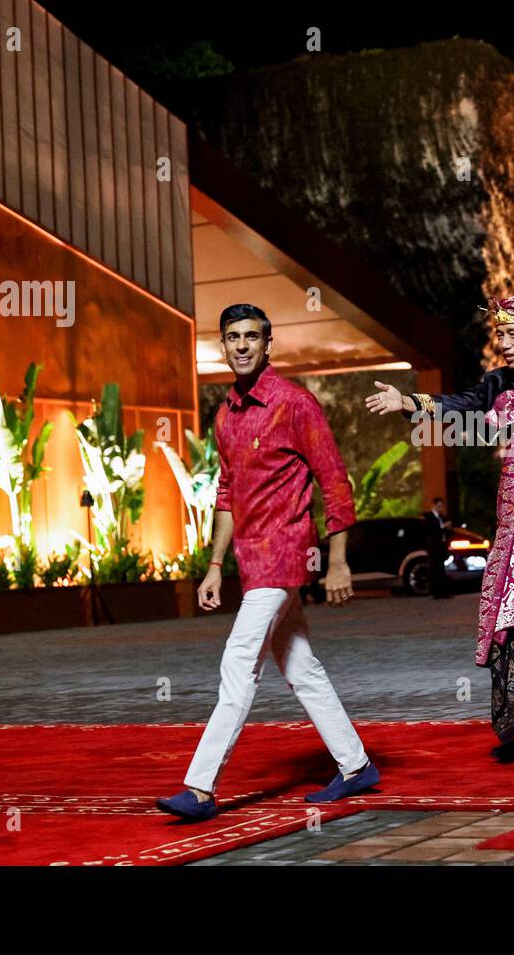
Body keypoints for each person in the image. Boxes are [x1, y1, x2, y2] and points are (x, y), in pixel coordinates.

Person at [157, 303, 380, 821]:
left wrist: (339, 560)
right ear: (223, 344)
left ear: (267, 344)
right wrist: (214, 565)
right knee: (301, 666)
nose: (241, 345)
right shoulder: (225, 413)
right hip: (250, 561)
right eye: (232, 336)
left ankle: (201, 787)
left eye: (251, 337)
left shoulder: (295, 404)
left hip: (286, 553)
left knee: (239, 661)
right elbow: (228, 493)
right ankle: (356, 765)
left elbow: (334, 480)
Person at [365, 293, 514, 769]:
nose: (506, 343)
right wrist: (406, 401)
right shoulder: (498, 382)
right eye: (500, 335)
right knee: (510, 623)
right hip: (513, 515)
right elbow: (461, 405)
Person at [424, 496, 454, 599]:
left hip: (441, 546)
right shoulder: (428, 516)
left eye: (441, 506)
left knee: (441, 569)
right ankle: (434, 592)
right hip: (433, 547)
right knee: (433, 569)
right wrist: (442, 527)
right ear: (434, 505)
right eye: (438, 506)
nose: (440, 508)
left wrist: (448, 528)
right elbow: (430, 529)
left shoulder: (442, 517)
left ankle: (443, 592)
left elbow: (446, 530)